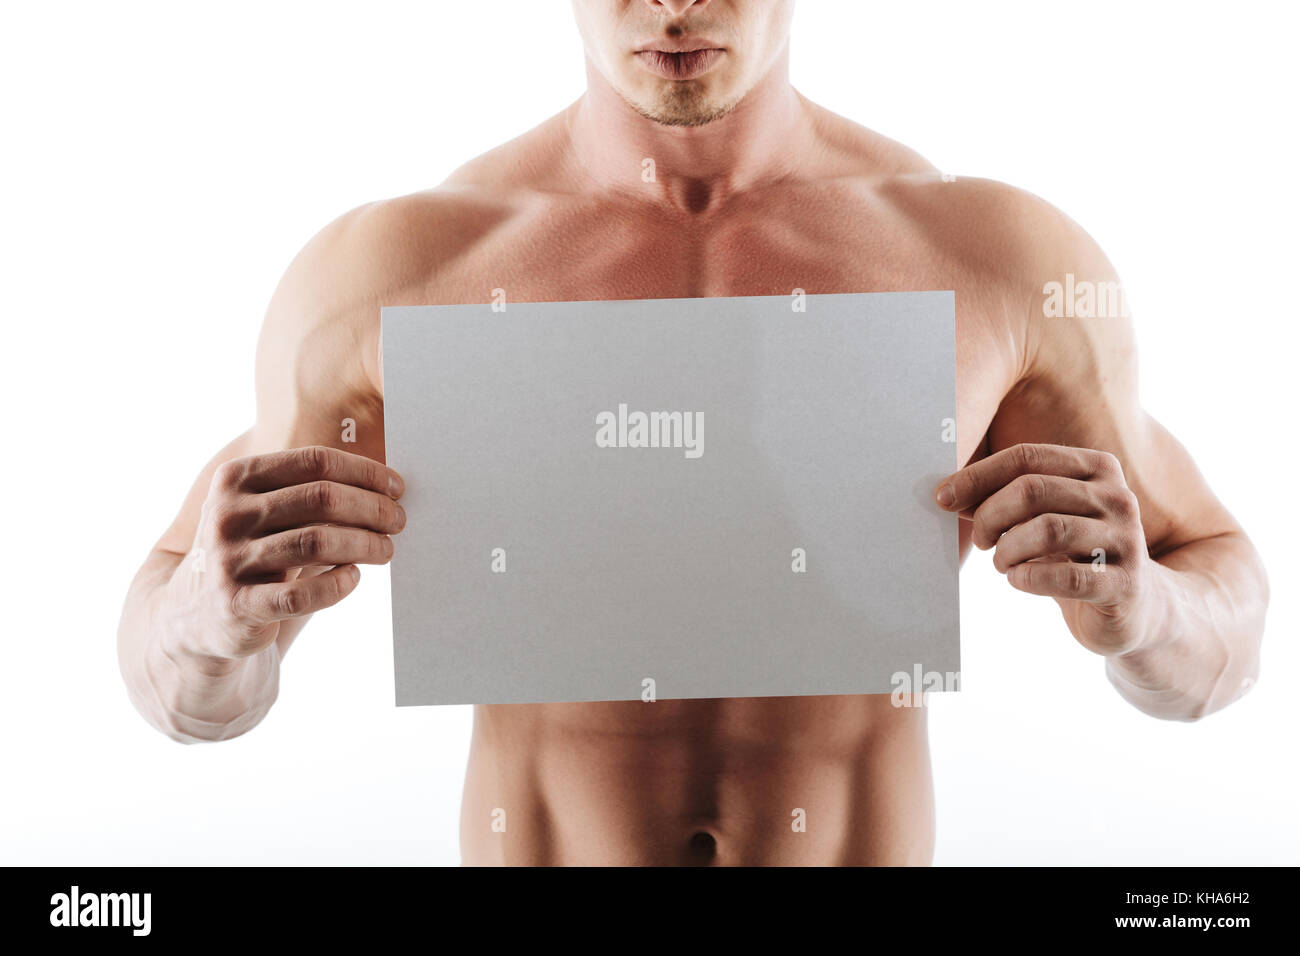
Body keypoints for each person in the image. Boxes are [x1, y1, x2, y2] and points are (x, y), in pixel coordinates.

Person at [117, 0, 1268, 865]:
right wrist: (205, 618)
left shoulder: (995, 262)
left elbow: (1216, 636)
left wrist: (1145, 611)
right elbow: (186, 695)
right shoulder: (398, 275)